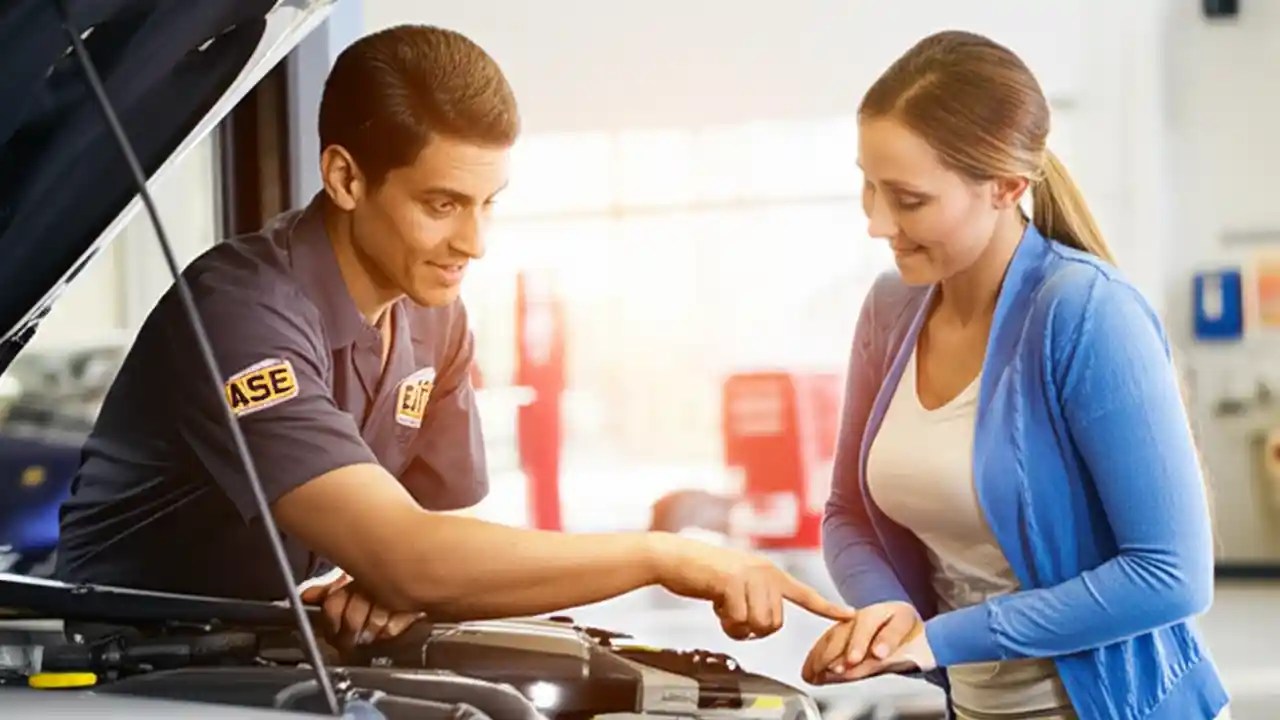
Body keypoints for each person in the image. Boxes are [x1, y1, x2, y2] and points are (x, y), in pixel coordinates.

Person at [54, 24, 853, 650]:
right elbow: (416, 555)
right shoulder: (239, 310)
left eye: (488, 203)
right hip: (126, 664)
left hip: (277, 647)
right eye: (442, 204)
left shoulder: (436, 313)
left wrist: (388, 575)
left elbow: (437, 539)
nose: (474, 242)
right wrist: (666, 555)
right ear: (345, 179)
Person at [801, 30, 1228, 720]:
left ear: (1006, 187)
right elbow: (848, 511)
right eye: (868, 185)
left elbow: (1170, 576)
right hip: (975, 706)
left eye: (909, 200)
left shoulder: (1087, 313)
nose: (878, 222)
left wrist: (938, 638)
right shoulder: (890, 306)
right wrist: (885, 611)